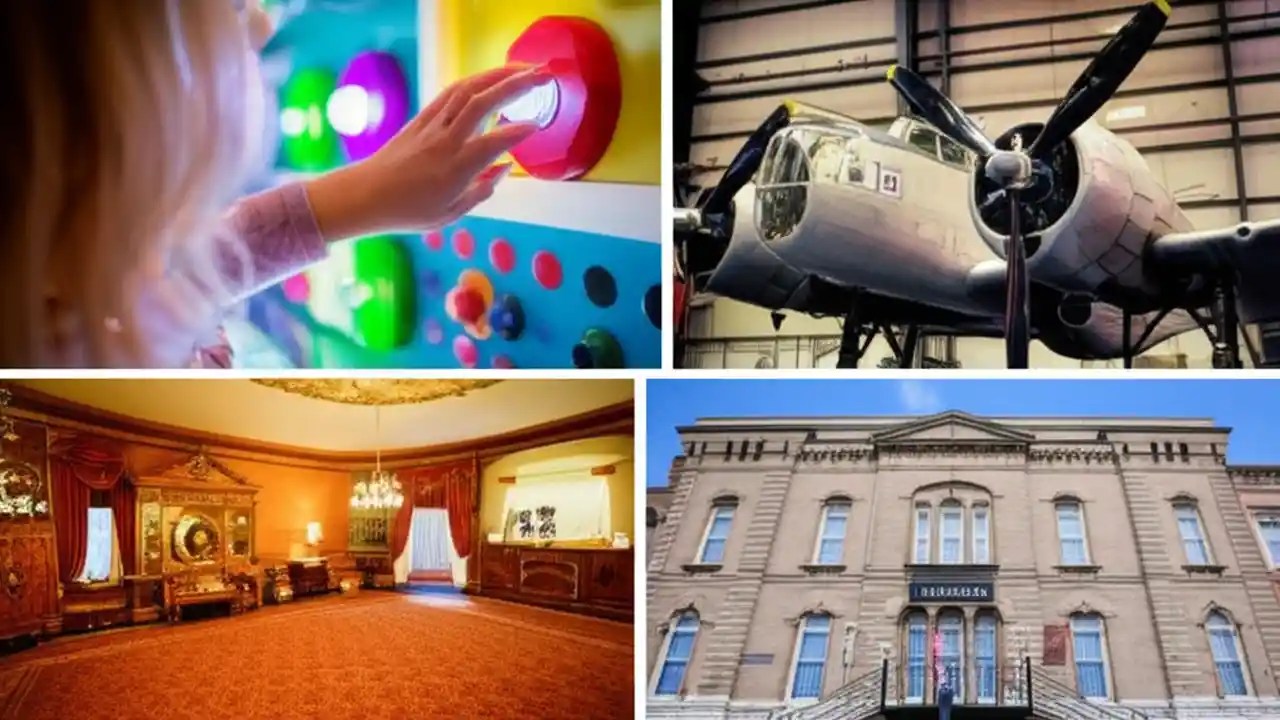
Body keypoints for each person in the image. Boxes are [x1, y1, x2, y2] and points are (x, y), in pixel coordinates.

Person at [0, 1, 547, 367]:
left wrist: (361, 199)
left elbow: (189, 273)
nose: (261, 26)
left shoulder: (78, 281)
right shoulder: (74, 354)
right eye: (233, 8)